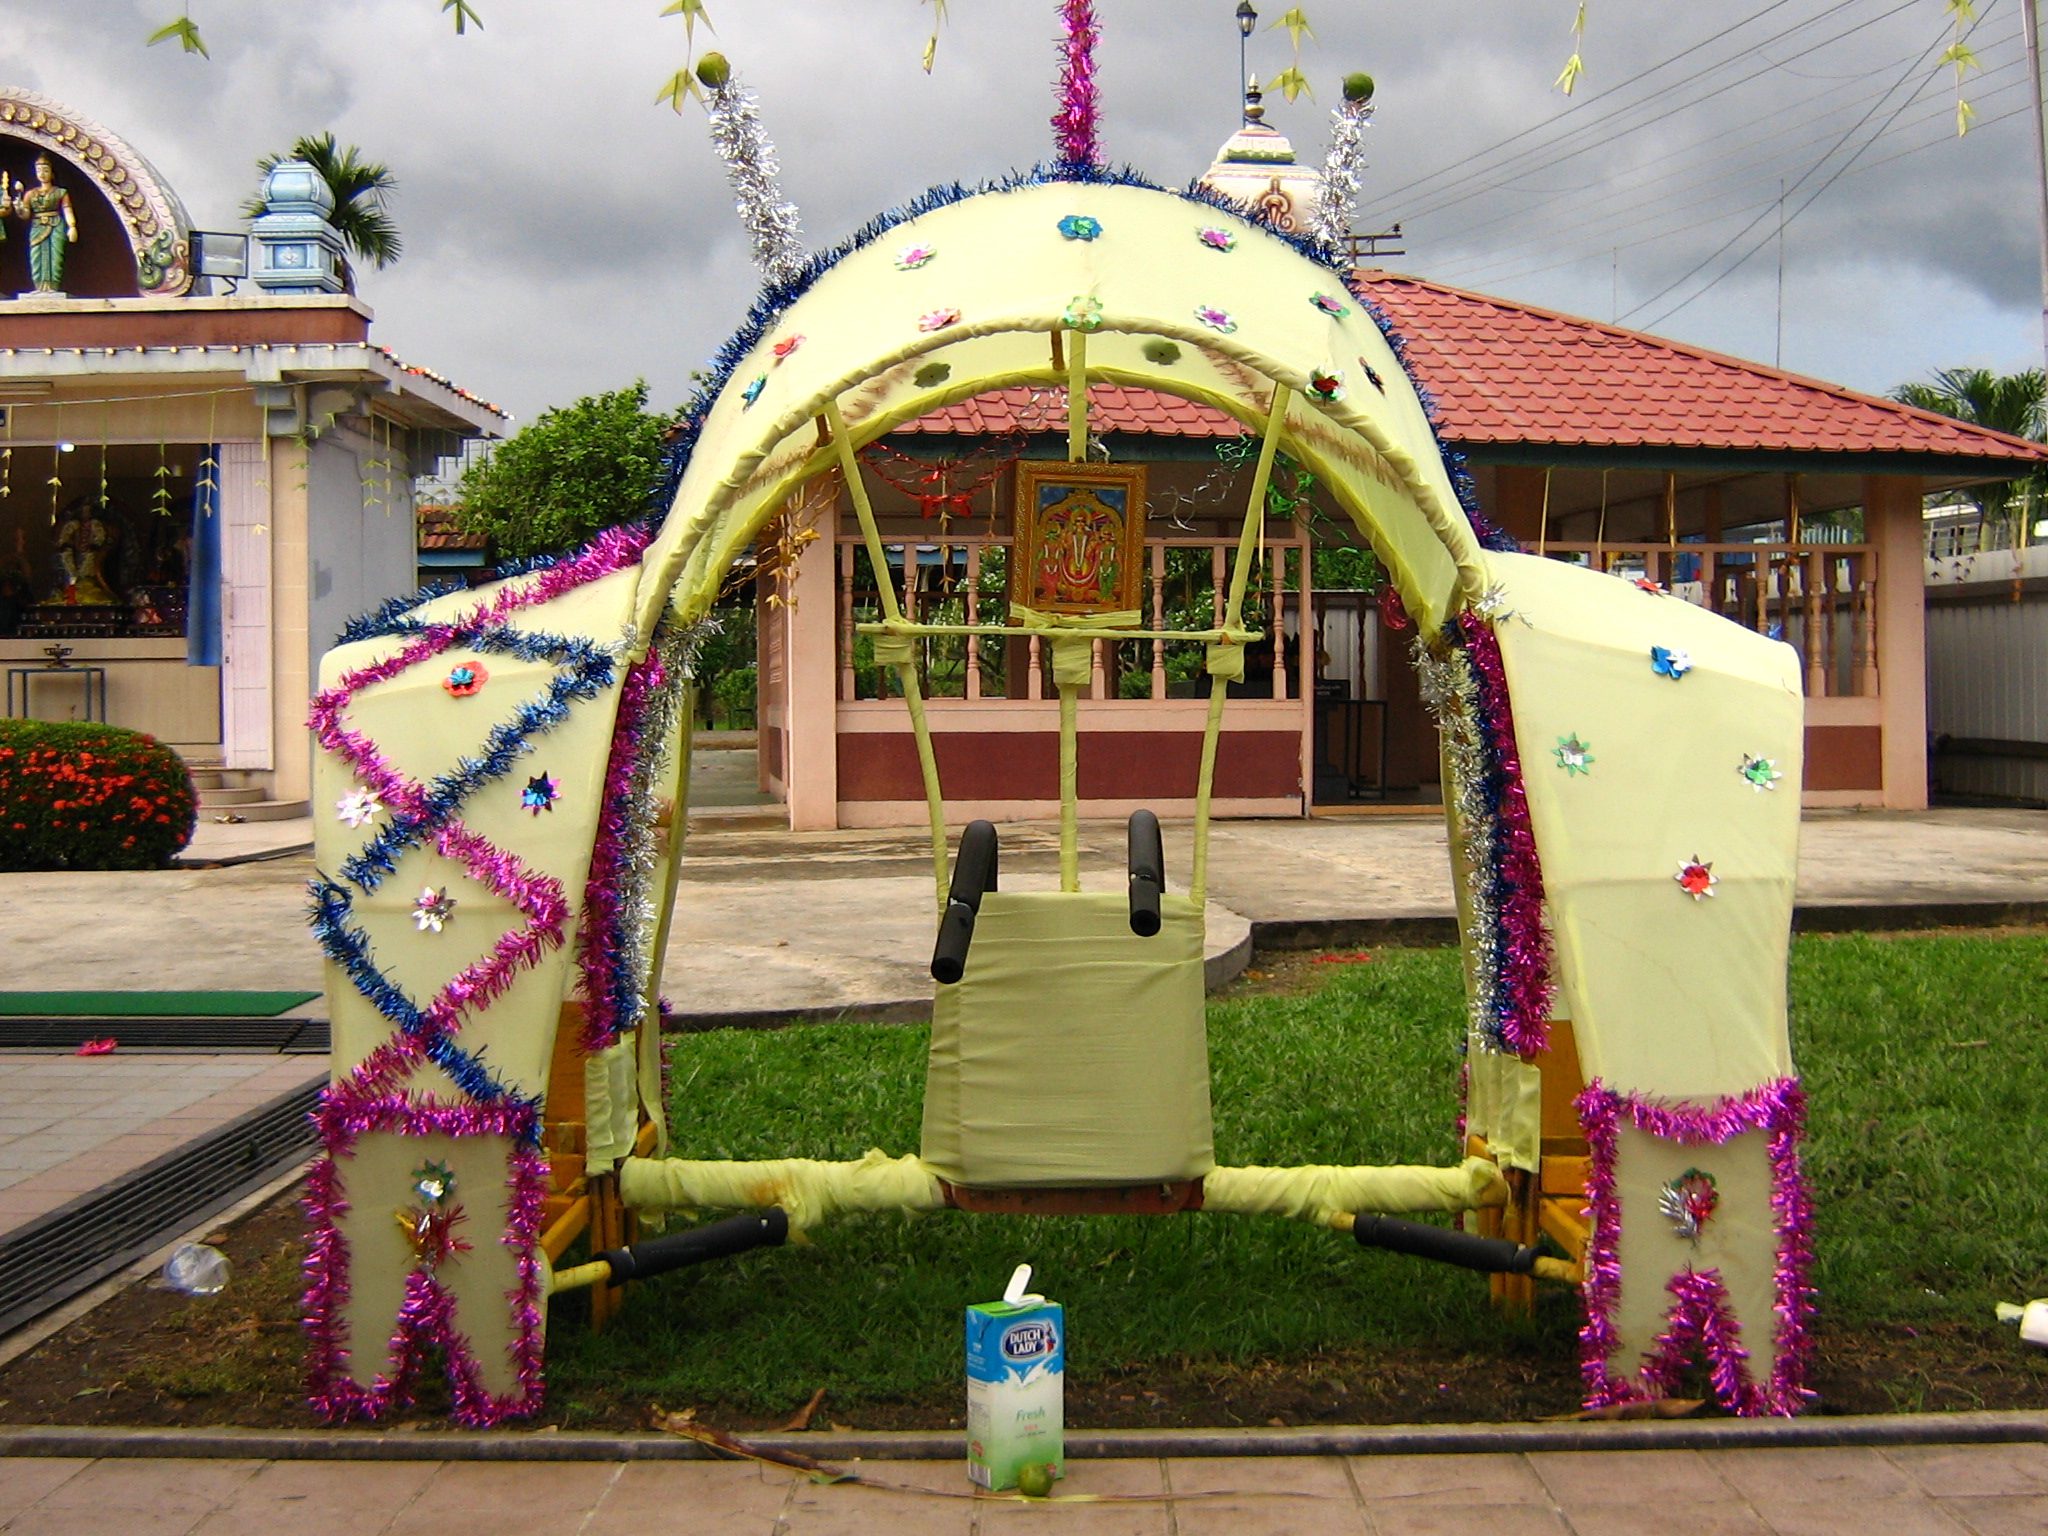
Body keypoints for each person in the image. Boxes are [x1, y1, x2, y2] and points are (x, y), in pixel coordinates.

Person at [12, 156, 77, 295]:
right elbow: (25, 215)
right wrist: (18, 208)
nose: (42, 174)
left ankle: (52, 287)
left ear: (52, 173)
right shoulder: (30, 194)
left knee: (56, 257)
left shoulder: (60, 192)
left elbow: (67, 209)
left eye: (46, 170)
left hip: (56, 224)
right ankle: (39, 287)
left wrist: (72, 226)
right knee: (36, 257)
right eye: (39, 170)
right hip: (37, 226)